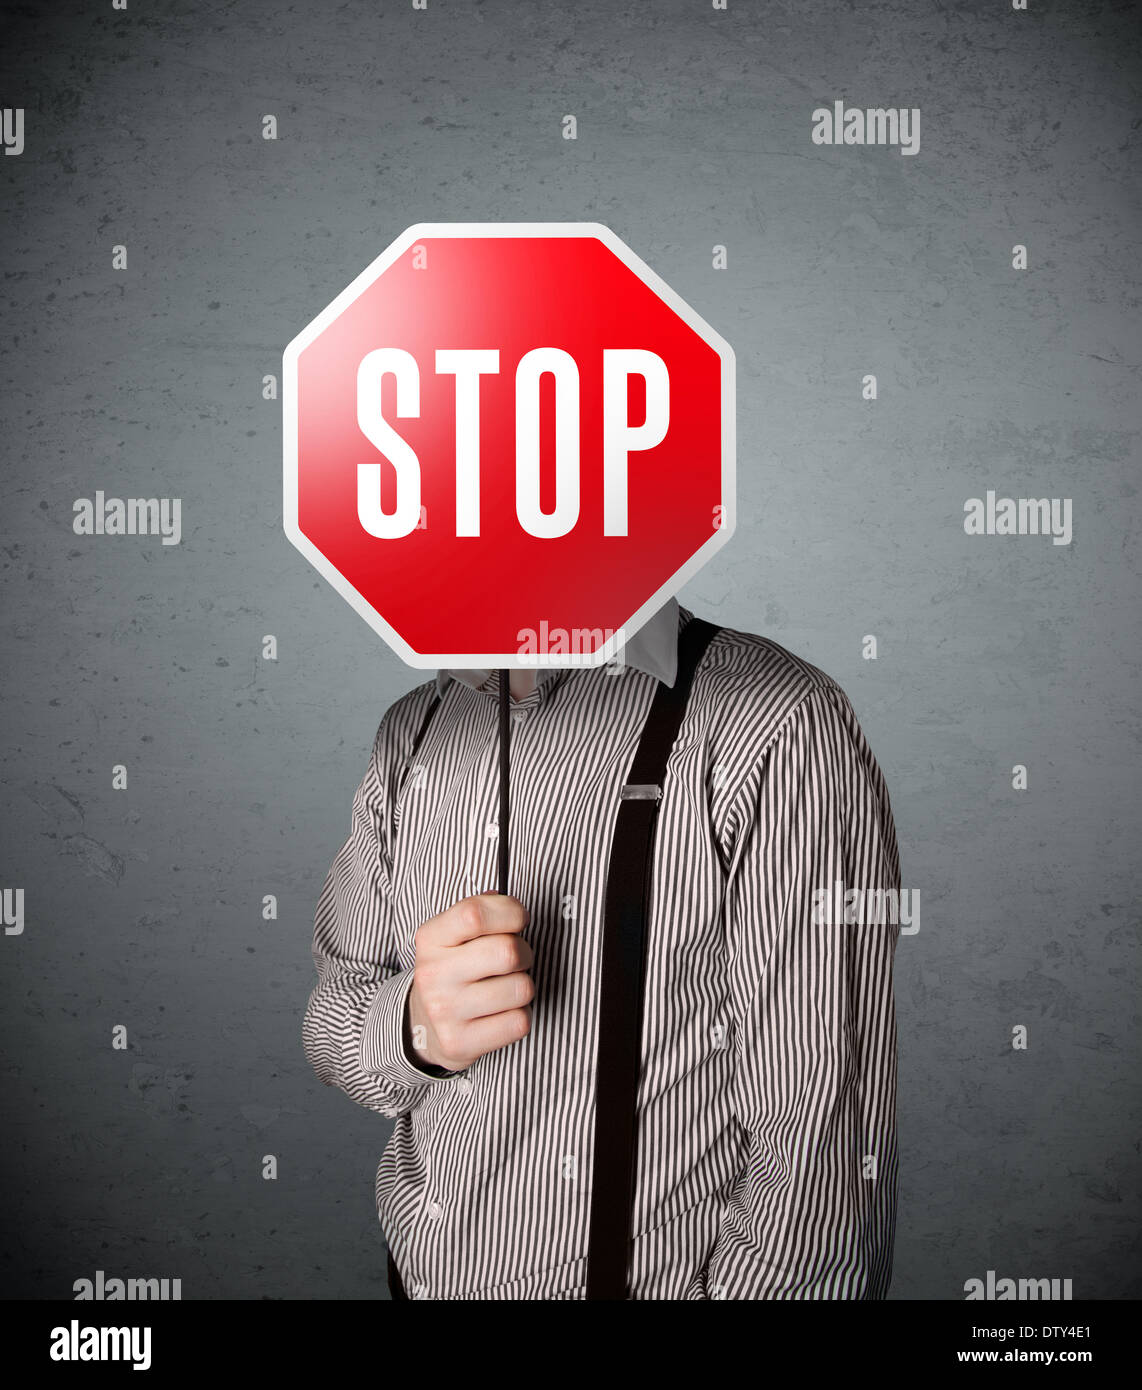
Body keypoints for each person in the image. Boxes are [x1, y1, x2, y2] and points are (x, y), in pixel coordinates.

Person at [301, 599, 901, 1300]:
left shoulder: (773, 718)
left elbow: (816, 1131)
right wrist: (413, 1028)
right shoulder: (414, 730)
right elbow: (330, 1026)